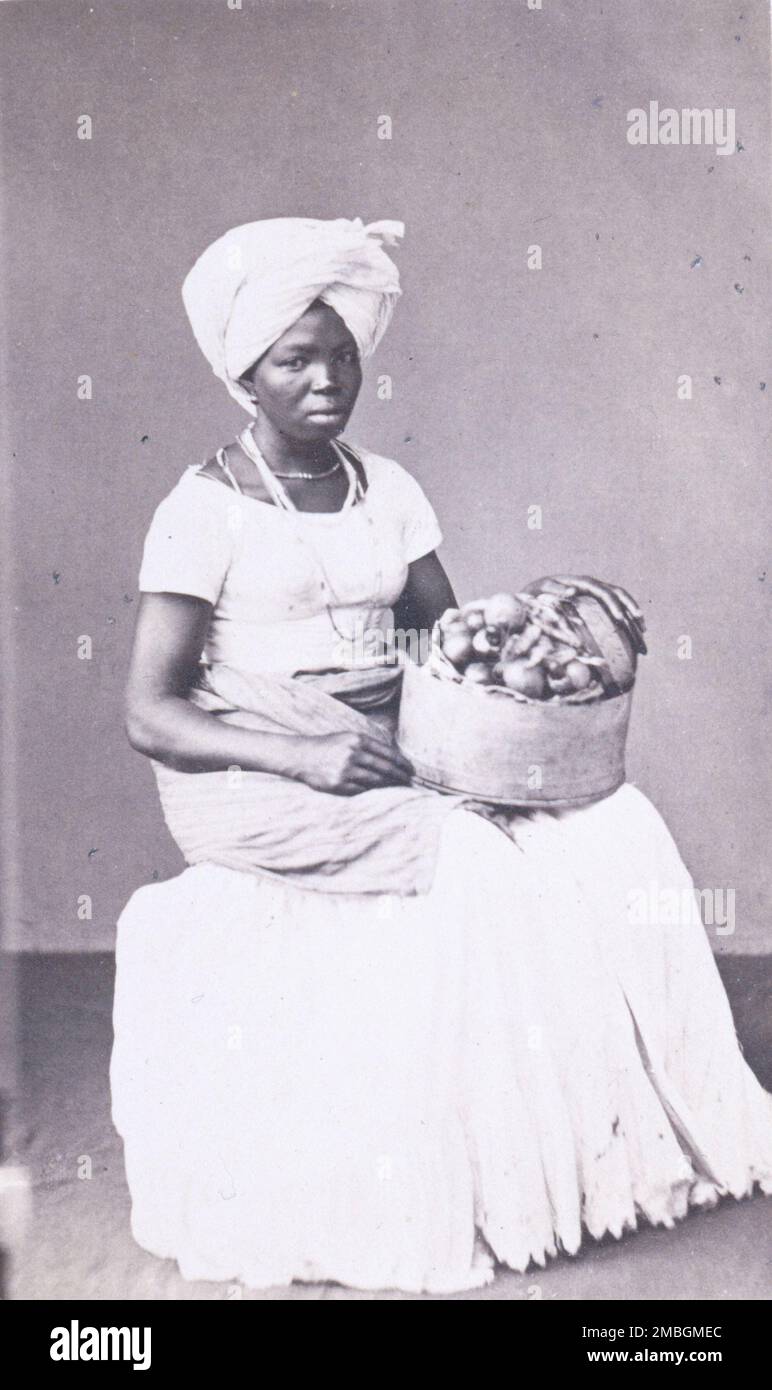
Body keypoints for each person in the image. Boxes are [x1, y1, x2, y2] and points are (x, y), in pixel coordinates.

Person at [110, 216, 772, 1295]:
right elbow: (150, 714)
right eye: (295, 360)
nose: (326, 380)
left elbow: (448, 645)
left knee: (612, 829)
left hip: (393, 740)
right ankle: (487, 1185)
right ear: (245, 377)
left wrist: (549, 641)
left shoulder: (390, 488)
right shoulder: (199, 513)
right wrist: (303, 758)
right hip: (247, 771)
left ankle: (602, 1160)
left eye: (342, 355)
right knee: (475, 870)